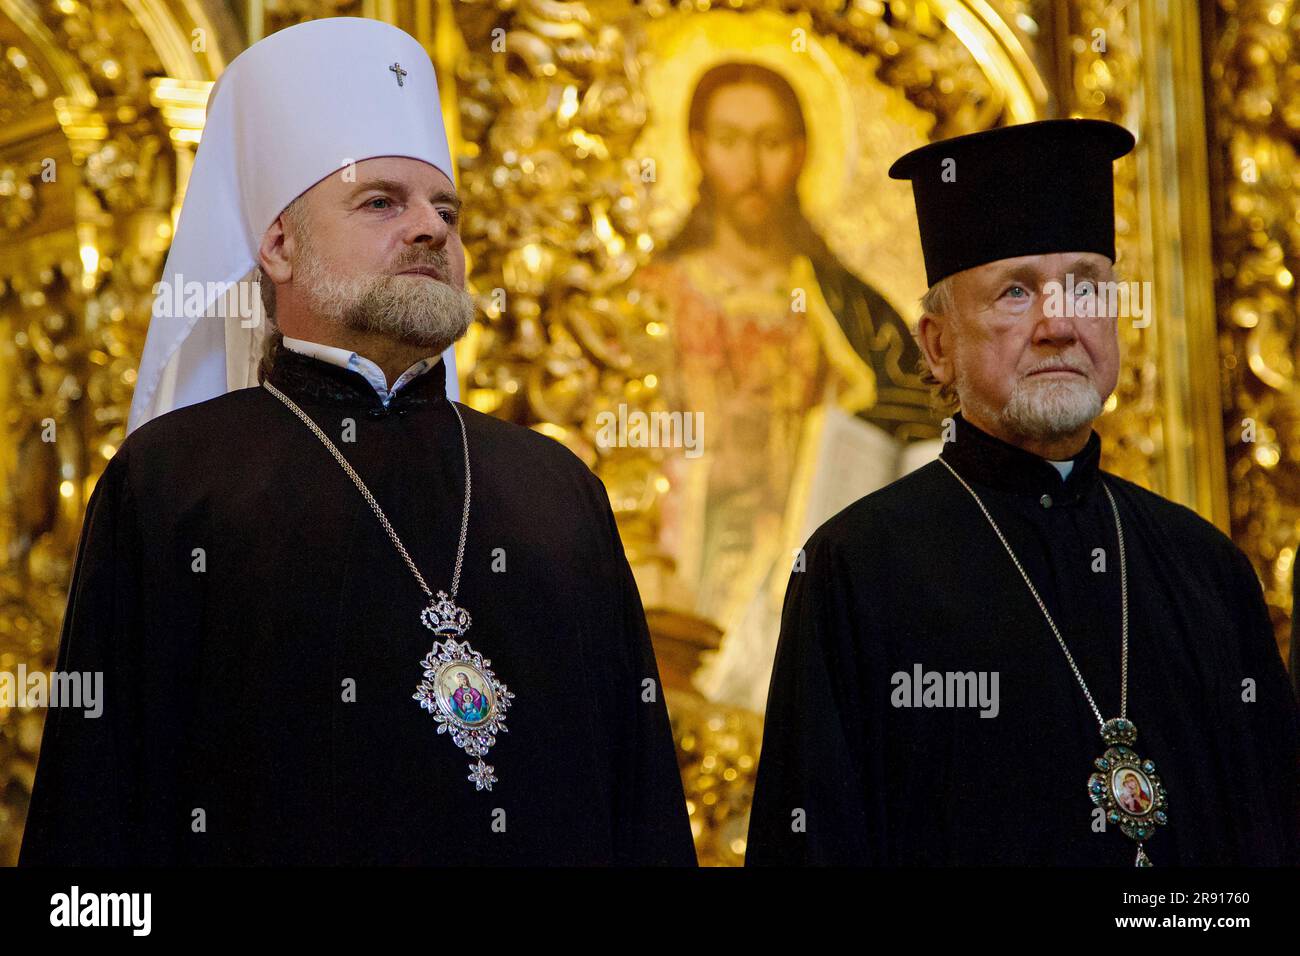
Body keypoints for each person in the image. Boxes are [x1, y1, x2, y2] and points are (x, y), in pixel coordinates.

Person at [20, 17, 695, 866]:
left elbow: (643, 808)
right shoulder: (172, 482)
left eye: (445, 209)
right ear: (278, 245)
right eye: (381, 202)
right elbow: (96, 814)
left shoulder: (555, 488)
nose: (431, 230)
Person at [746, 119, 1299, 866]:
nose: (1059, 324)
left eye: (1086, 286)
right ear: (938, 346)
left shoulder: (1206, 569)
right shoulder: (857, 570)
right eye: (1016, 292)